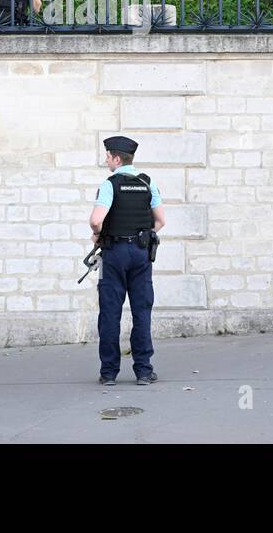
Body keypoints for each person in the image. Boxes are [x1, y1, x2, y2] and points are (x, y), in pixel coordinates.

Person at [89, 135, 166, 386]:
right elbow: (161, 221)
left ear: (117, 158)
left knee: (110, 313)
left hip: (114, 254)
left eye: (108, 156)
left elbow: (95, 219)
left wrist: (98, 235)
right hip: (141, 254)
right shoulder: (147, 183)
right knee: (141, 311)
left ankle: (109, 373)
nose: (106, 160)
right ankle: (144, 371)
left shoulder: (110, 184)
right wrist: (144, 235)